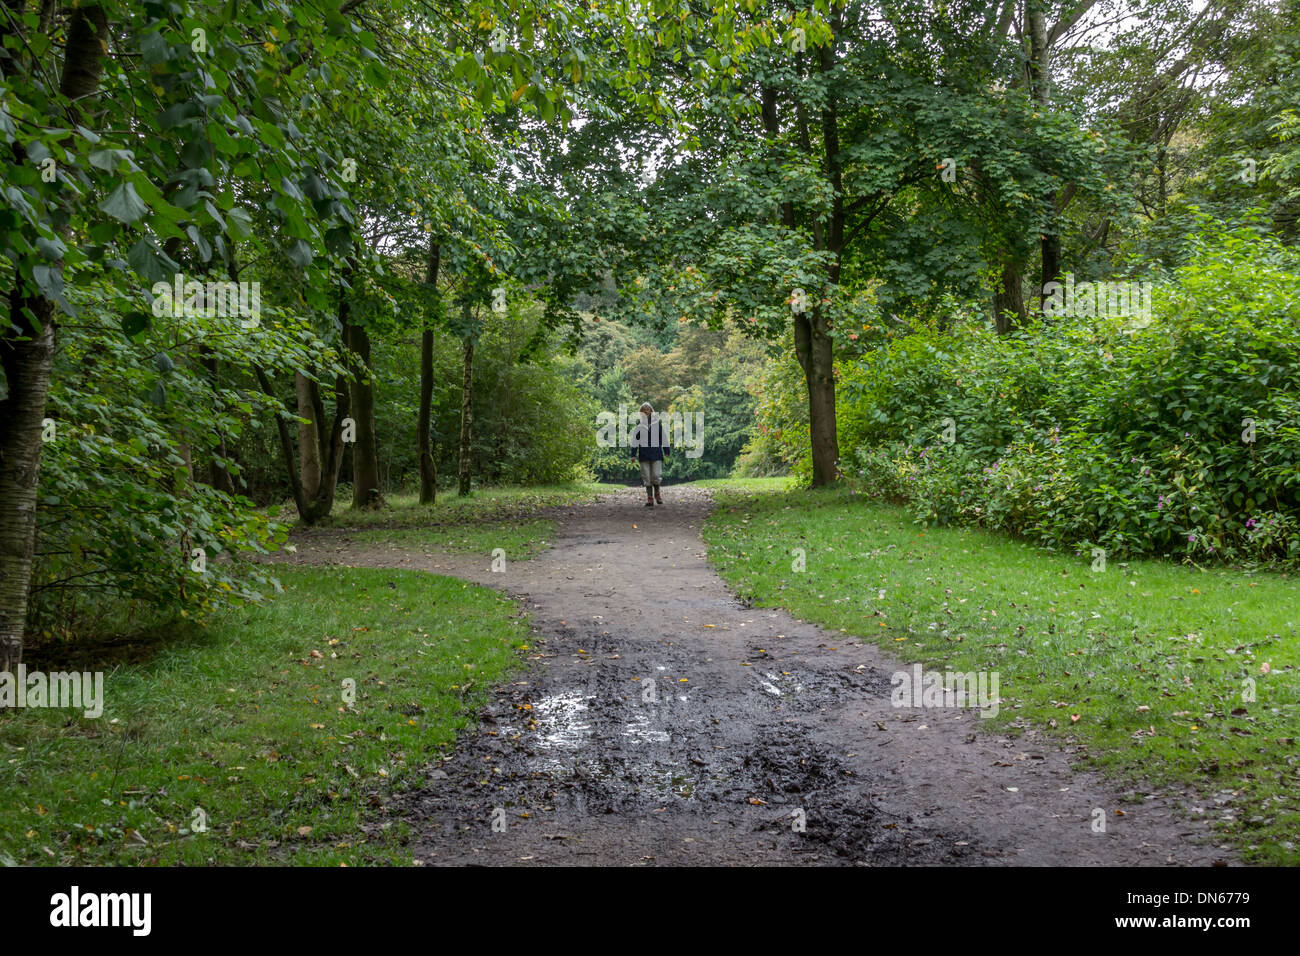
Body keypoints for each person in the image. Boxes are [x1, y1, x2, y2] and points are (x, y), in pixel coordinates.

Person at [630, 402, 669, 506]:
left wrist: (667, 451)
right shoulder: (639, 426)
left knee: (656, 475)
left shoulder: (657, 424)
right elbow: (635, 441)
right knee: (646, 477)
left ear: (651, 411)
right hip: (644, 455)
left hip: (656, 454)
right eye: (643, 410)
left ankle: (657, 494)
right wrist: (633, 455)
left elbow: (663, 438)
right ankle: (650, 498)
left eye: (647, 409)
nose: (645, 411)